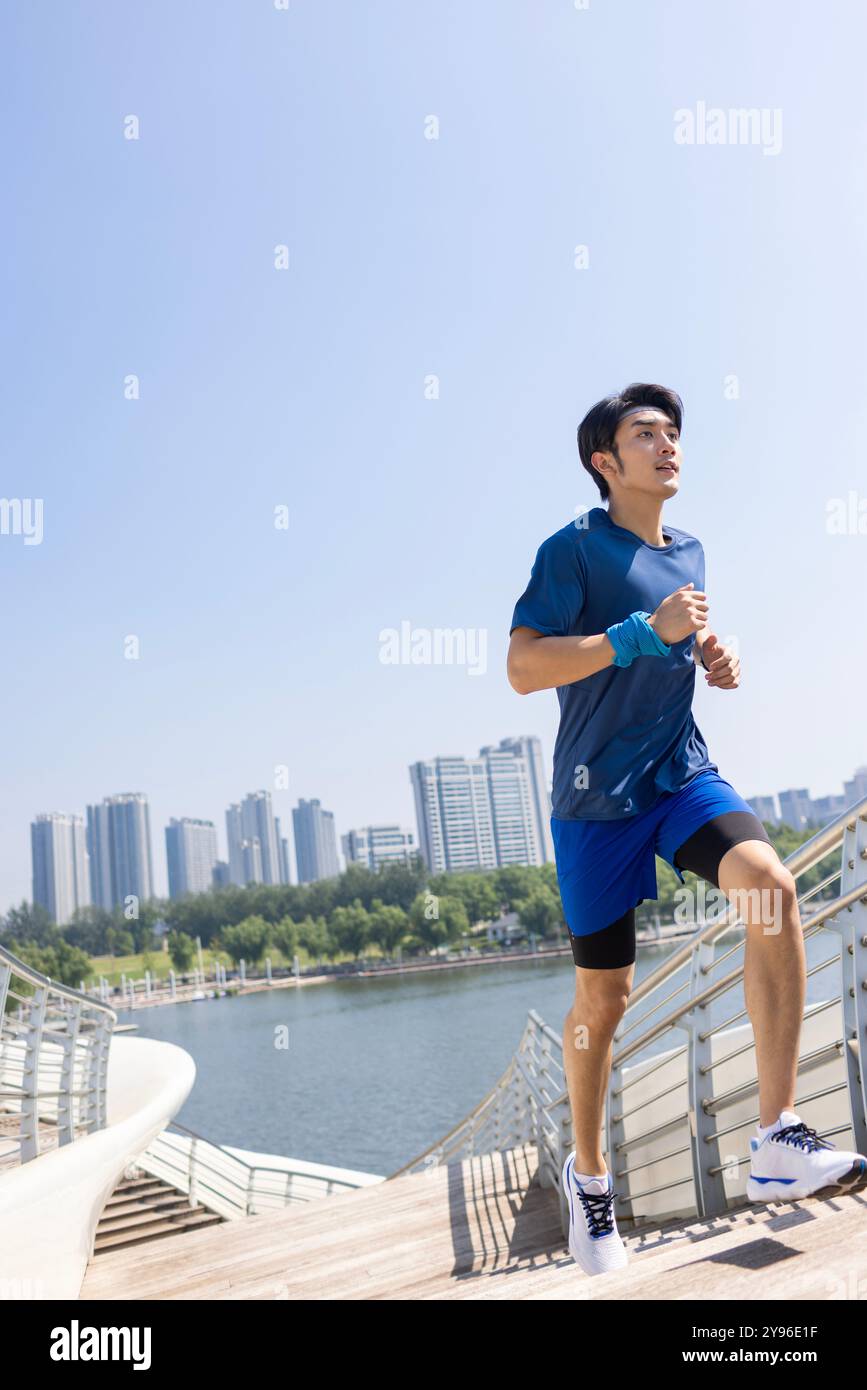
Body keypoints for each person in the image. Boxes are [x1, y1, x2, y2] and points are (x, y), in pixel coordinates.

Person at [507, 382, 867, 1278]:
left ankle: (776, 1136)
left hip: (681, 778)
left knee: (773, 891)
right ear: (605, 461)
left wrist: (710, 653)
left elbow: (673, 638)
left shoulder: (693, 551)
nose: (667, 445)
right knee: (606, 997)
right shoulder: (572, 549)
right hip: (597, 801)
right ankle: (589, 1178)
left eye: (672, 433)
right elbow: (523, 667)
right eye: (644, 434)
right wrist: (638, 636)